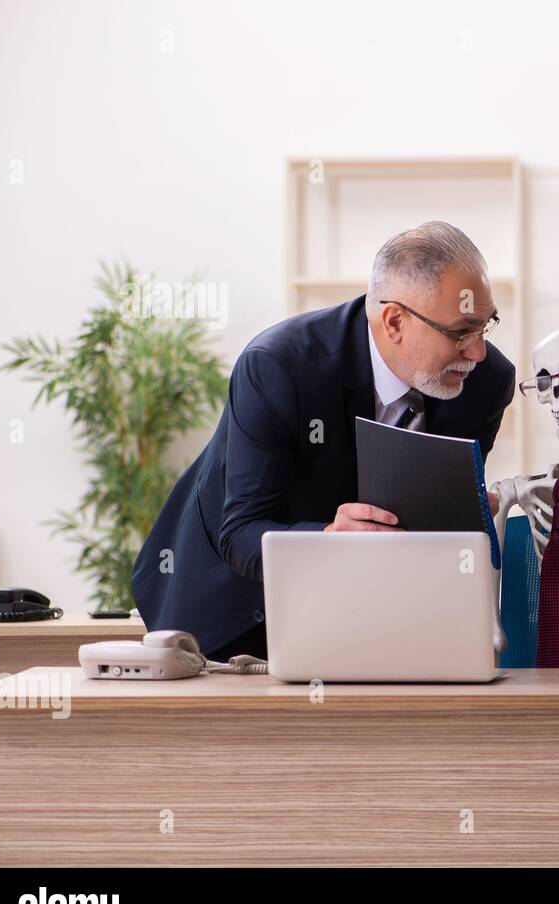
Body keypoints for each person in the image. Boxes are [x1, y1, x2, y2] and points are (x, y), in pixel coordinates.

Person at [131, 222, 515, 658]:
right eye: (461, 331)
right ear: (394, 321)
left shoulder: (488, 383)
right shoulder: (278, 367)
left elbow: (435, 527)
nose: (477, 352)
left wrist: (466, 515)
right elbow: (240, 532)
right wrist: (329, 540)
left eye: (487, 325)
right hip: (232, 614)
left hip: (371, 624)